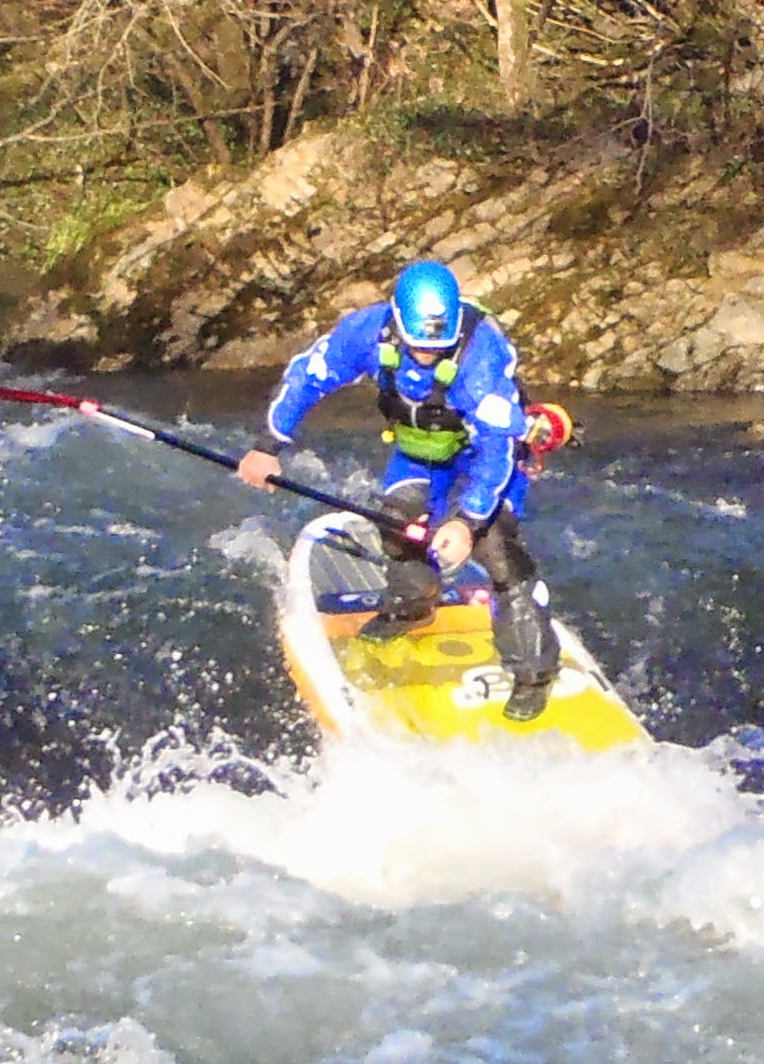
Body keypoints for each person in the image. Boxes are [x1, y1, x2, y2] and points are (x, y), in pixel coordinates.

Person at [238, 259, 561, 722]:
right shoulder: (367, 331)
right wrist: (269, 444)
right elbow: (308, 376)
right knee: (399, 523)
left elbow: (497, 449)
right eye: (418, 347)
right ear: (396, 321)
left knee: (497, 548)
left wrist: (467, 522)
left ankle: (534, 673)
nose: (427, 356)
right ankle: (414, 605)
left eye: (437, 348)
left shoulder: (481, 354)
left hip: (486, 458)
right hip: (418, 451)